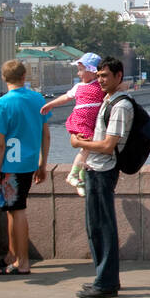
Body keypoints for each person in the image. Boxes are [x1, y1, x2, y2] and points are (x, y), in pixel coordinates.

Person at [70, 56, 133, 298]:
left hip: (104, 170)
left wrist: (78, 143)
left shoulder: (120, 106)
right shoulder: (107, 100)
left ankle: (106, 283)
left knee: (104, 228)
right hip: (94, 168)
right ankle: (102, 278)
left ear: (119, 76)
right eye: (98, 76)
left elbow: (108, 145)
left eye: (105, 76)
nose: (101, 80)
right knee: (94, 227)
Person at [0, 60, 50, 276]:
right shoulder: (37, 99)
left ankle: (22, 262)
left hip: (10, 165)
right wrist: (43, 163)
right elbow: (45, 133)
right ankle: (12, 255)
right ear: (24, 77)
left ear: (3, 78)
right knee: (12, 211)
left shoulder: (1, 104)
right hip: (29, 163)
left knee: (18, 210)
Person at [40, 53, 105, 197]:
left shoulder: (100, 85)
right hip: (80, 121)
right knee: (88, 147)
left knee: (88, 149)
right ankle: (73, 175)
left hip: (90, 122)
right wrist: (50, 104)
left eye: (81, 69)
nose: (78, 73)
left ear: (92, 70)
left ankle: (80, 179)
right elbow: (65, 97)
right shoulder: (79, 86)